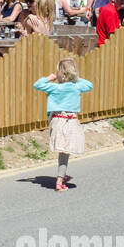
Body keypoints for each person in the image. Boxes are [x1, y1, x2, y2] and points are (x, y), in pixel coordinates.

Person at [33, 58, 94, 193]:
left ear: (60, 73)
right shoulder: (77, 86)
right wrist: (75, 78)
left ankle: (61, 177)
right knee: (65, 152)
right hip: (71, 120)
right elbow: (89, 85)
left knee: (62, 151)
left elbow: (37, 84)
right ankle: (60, 180)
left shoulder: (54, 87)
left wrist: (50, 77)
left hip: (57, 120)